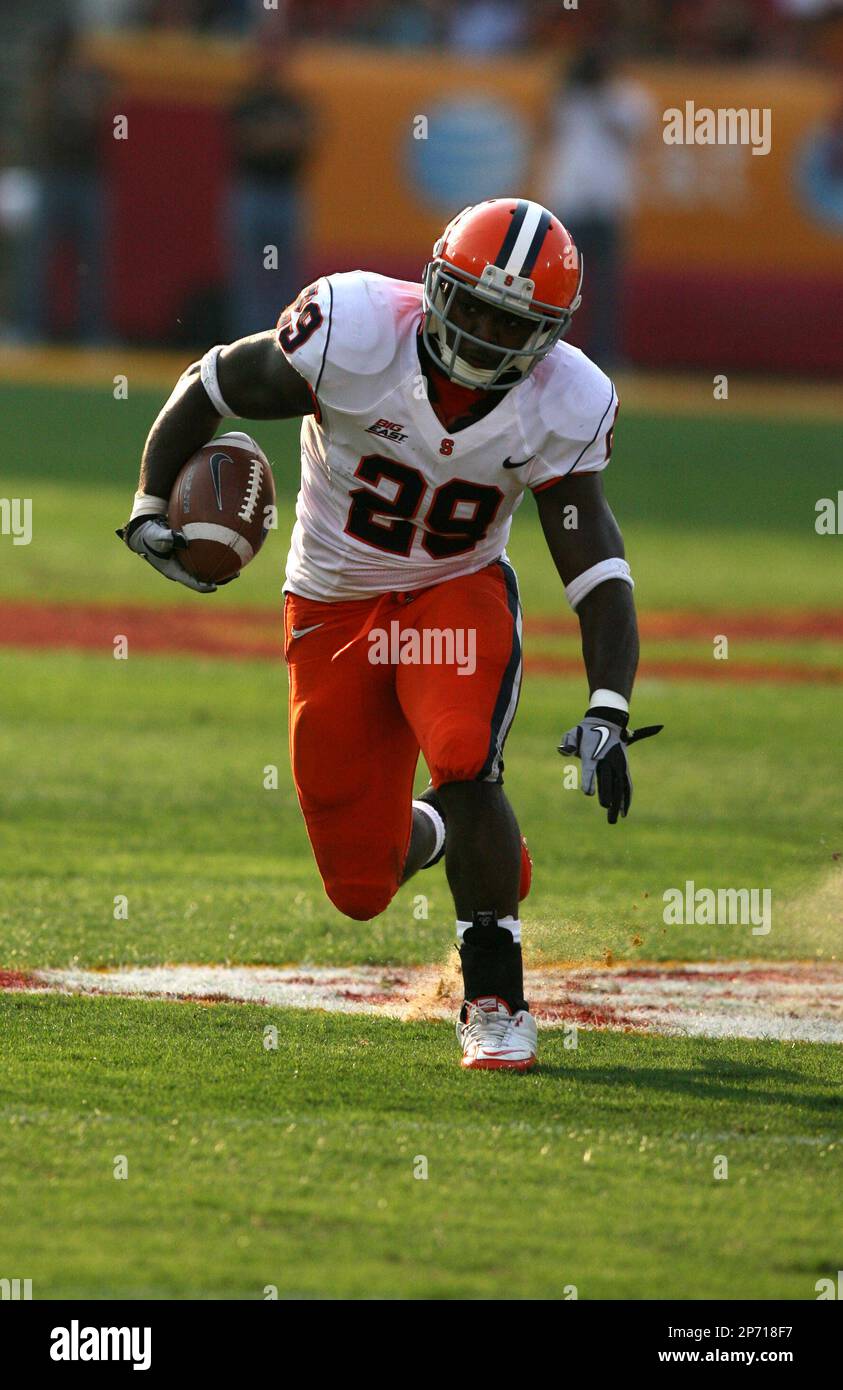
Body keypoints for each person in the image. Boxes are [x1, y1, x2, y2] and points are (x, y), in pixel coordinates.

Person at [118, 197, 661, 1071]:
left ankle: (492, 993)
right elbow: (213, 382)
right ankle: (453, 833)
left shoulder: (564, 398)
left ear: (549, 334)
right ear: (434, 285)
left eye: (511, 322)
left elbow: (594, 562)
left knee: (462, 753)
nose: (484, 333)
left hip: (454, 591)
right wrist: (149, 505)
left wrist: (607, 703)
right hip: (331, 604)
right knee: (360, 885)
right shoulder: (354, 329)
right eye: (473, 305)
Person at [539, 49, 652, 367]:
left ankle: (605, 353)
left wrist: (601, 95)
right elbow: (547, 129)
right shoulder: (569, 97)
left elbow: (630, 133)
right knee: (557, 282)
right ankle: (549, 349)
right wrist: (573, 89)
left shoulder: (626, 98)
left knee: (605, 287)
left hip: (606, 204)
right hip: (570, 202)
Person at [21, 21, 111, 343]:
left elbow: (103, 112)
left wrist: (79, 102)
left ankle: (92, 332)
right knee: (41, 258)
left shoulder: (90, 76)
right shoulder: (46, 78)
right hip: (55, 175)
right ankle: (34, 329)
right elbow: (39, 121)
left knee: (91, 261)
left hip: (87, 177)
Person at [226, 43, 314, 340]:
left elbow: (307, 137)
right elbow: (247, 140)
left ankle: (282, 340)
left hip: (284, 193)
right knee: (249, 277)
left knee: (286, 277)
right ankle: (246, 341)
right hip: (253, 192)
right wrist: (279, 137)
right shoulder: (248, 100)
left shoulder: (292, 101)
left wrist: (272, 137)